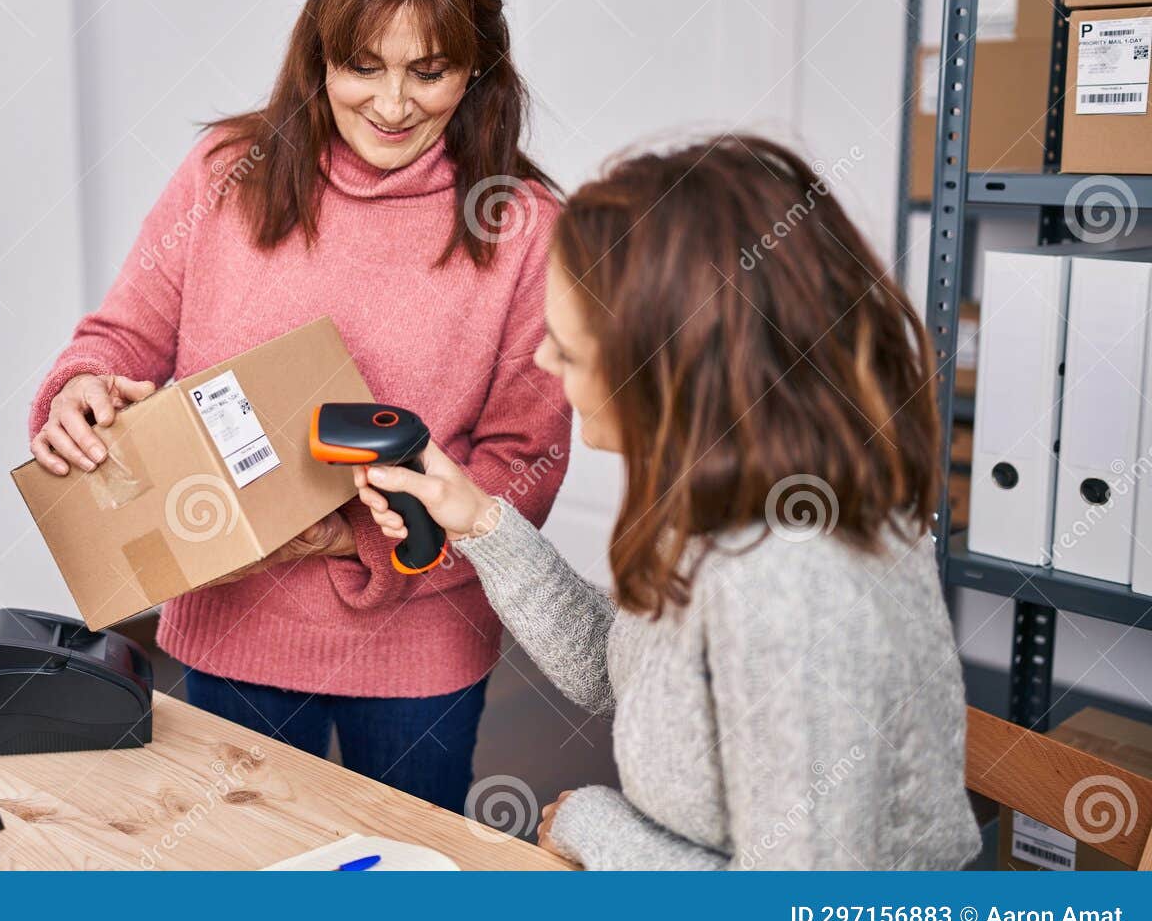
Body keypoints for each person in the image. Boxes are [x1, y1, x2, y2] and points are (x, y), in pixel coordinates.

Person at [28, 0, 570, 814]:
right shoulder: (225, 175)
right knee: (240, 881)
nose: (392, 104)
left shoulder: (522, 229)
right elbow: (121, 337)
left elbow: (524, 468)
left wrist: (357, 536)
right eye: (362, 66)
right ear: (317, 49)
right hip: (232, 618)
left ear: (478, 67)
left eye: (430, 71)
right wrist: (79, 391)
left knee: (401, 893)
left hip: (419, 644)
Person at [356, 134, 981, 868]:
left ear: (669, 369)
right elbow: (614, 666)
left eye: (570, 346)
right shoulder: (728, 497)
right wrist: (481, 521)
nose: (542, 361)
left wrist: (600, 827)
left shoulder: (791, 584)